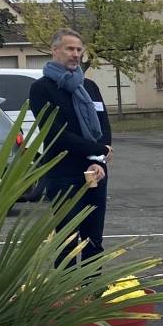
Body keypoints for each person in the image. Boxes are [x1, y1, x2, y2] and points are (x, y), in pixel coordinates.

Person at [27, 26, 110, 260]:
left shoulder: (89, 87)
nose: (75, 54)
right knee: (68, 239)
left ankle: (94, 292)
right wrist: (98, 150)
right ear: (55, 51)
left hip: (96, 172)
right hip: (63, 173)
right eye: (69, 49)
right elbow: (57, 133)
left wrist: (98, 160)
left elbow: (104, 125)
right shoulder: (42, 89)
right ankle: (67, 294)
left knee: (94, 239)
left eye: (78, 49)